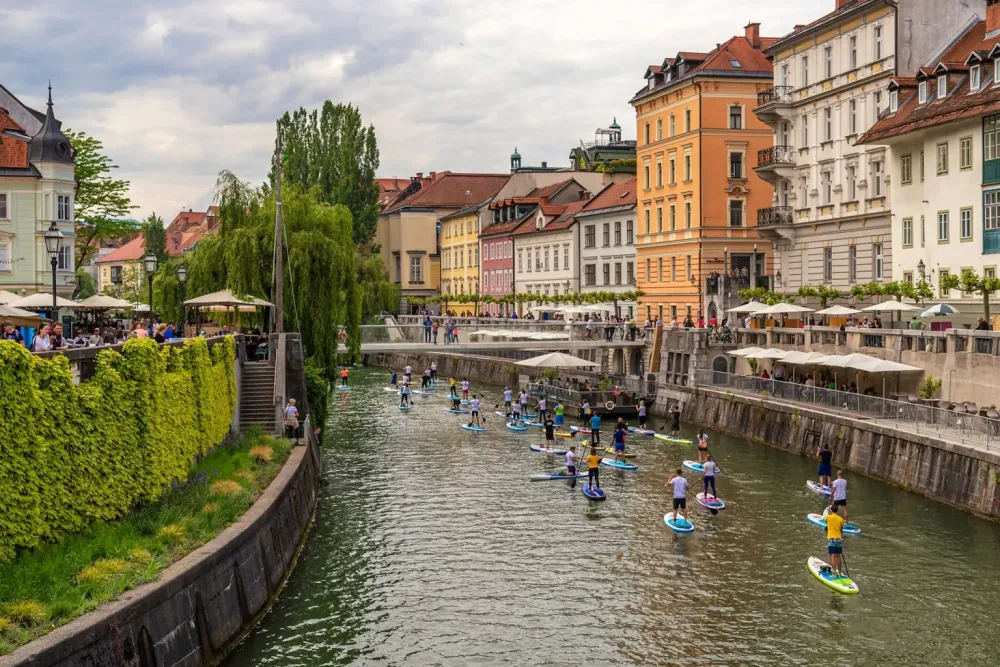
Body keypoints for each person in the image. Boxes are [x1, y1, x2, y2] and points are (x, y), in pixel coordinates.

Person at [825, 504, 846, 576]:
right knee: (838, 556)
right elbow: (841, 530)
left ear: (831, 510)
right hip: (839, 539)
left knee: (832, 556)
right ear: (837, 511)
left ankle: (834, 573)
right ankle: (839, 573)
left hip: (831, 539)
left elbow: (826, 521)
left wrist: (829, 513)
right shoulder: (841, 519)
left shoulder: (828, 517)